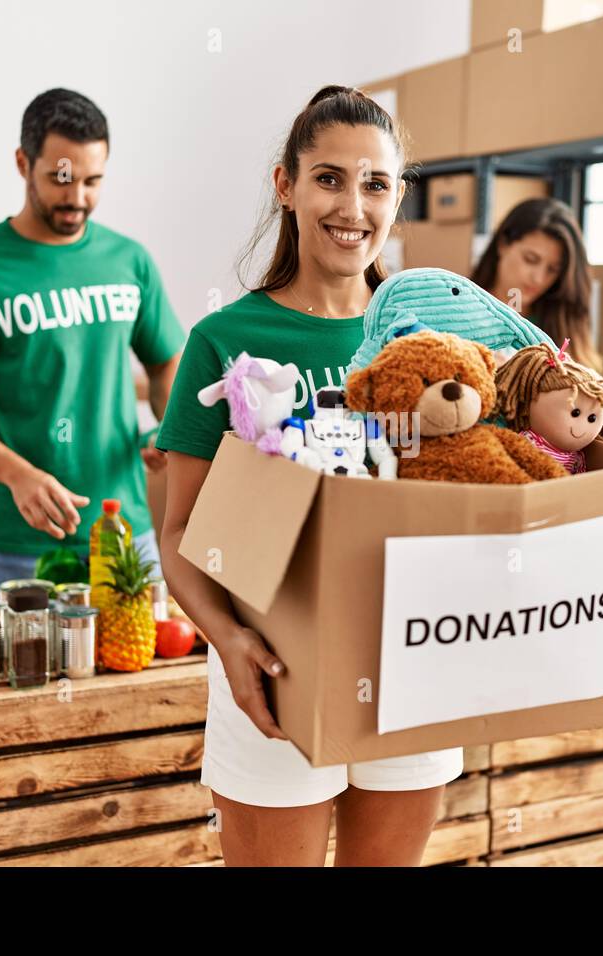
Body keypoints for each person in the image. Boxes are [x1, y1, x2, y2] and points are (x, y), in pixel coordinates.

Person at [155, 86, 465, 867]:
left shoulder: (435, 342)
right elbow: (182, 530)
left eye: (376, 183)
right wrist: (226, 640)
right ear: (285, 185)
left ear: (398, 196)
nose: (352, 205)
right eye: (328, 178)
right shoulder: (226, 338)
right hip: (272, 671)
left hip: (412, 661)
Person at [0, 88, 183, 590]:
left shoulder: (131, 261)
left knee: (147, 671)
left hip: (126, 529)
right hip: (24, 543)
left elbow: (168, 364)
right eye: (62, 179)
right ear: (23, 163)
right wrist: (17, 475)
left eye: (93, 180)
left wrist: (171, 430)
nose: (78, 198)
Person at [471, 196, 603, 372]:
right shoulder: (460, 306)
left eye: (553, 269)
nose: (538, 278)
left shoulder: (560, 324)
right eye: (531, 259)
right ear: (503, 244)